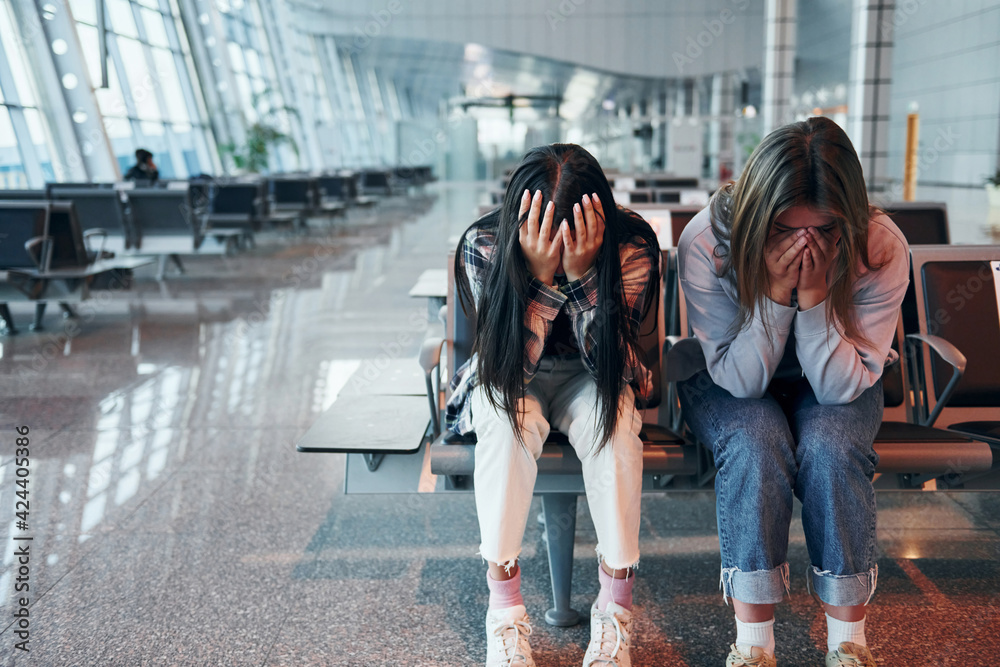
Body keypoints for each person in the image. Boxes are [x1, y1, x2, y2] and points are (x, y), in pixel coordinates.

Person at [673, 116, 909, 666]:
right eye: (784, 228)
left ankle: (848, 643)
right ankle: (754, 646)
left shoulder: (879, 247)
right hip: (730, 377)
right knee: (755, 438)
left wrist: (817, 296)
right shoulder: (709, 241)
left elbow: (837, 389)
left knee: (832, 446)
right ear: (757, 214)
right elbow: (740, 380)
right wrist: (777, 295)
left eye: (824, 230)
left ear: (848, 219)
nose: (805, 243)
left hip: (835, 380)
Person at [446, 144, 660, 667]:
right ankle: (505, 614)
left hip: (593, 375)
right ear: (520, 214)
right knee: (505, 417)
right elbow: (502, 373)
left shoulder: (629, 245)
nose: (558, 245)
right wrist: (540, 282)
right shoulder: (487, 243)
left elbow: (615, 369)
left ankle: (615, 613)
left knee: (612, 424)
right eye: (541, 229)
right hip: (512, 373)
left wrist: (587, 277)